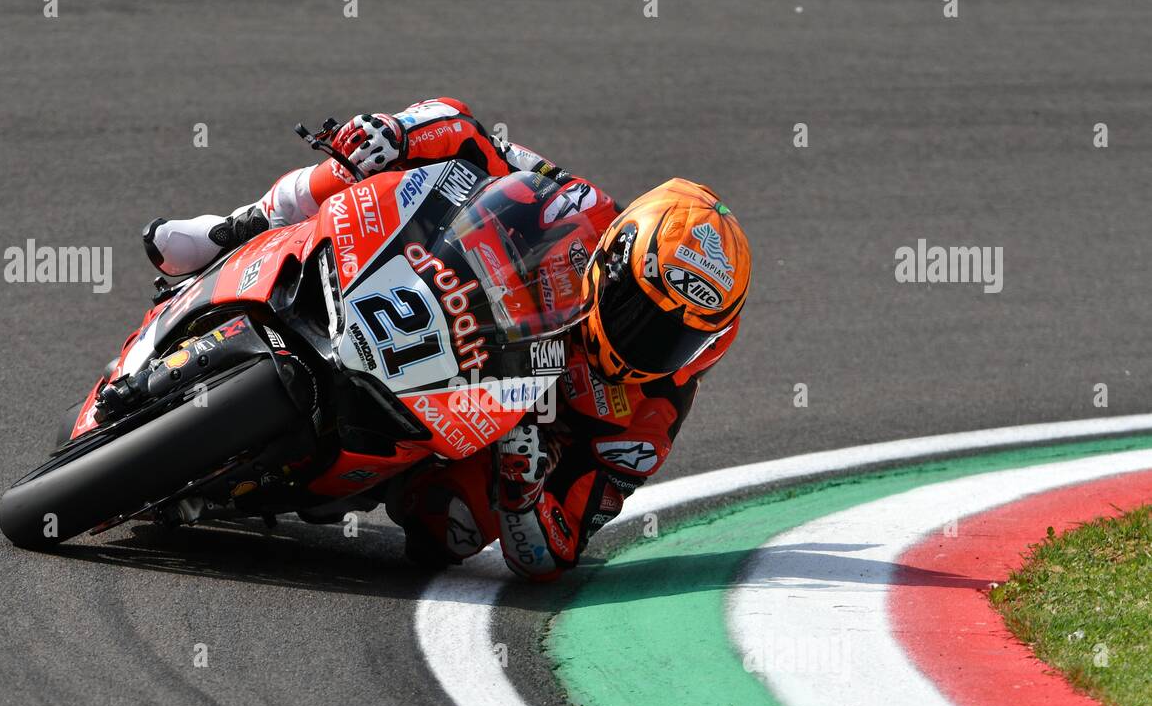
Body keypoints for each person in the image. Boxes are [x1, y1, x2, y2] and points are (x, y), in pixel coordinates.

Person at [143, 98, 751, 580]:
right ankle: (227, 231)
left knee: (451, 531)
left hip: (478, 420)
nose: (640, 342)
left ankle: (323, 471)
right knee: (367, 159)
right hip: (430, 289)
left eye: (671, 340)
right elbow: (468, 133)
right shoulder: (581, 206)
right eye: (634, 311)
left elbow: (558, 552)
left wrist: (523, 487)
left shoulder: (650, 419)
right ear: (613, 257)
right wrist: (398, 131)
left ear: (710, 347)